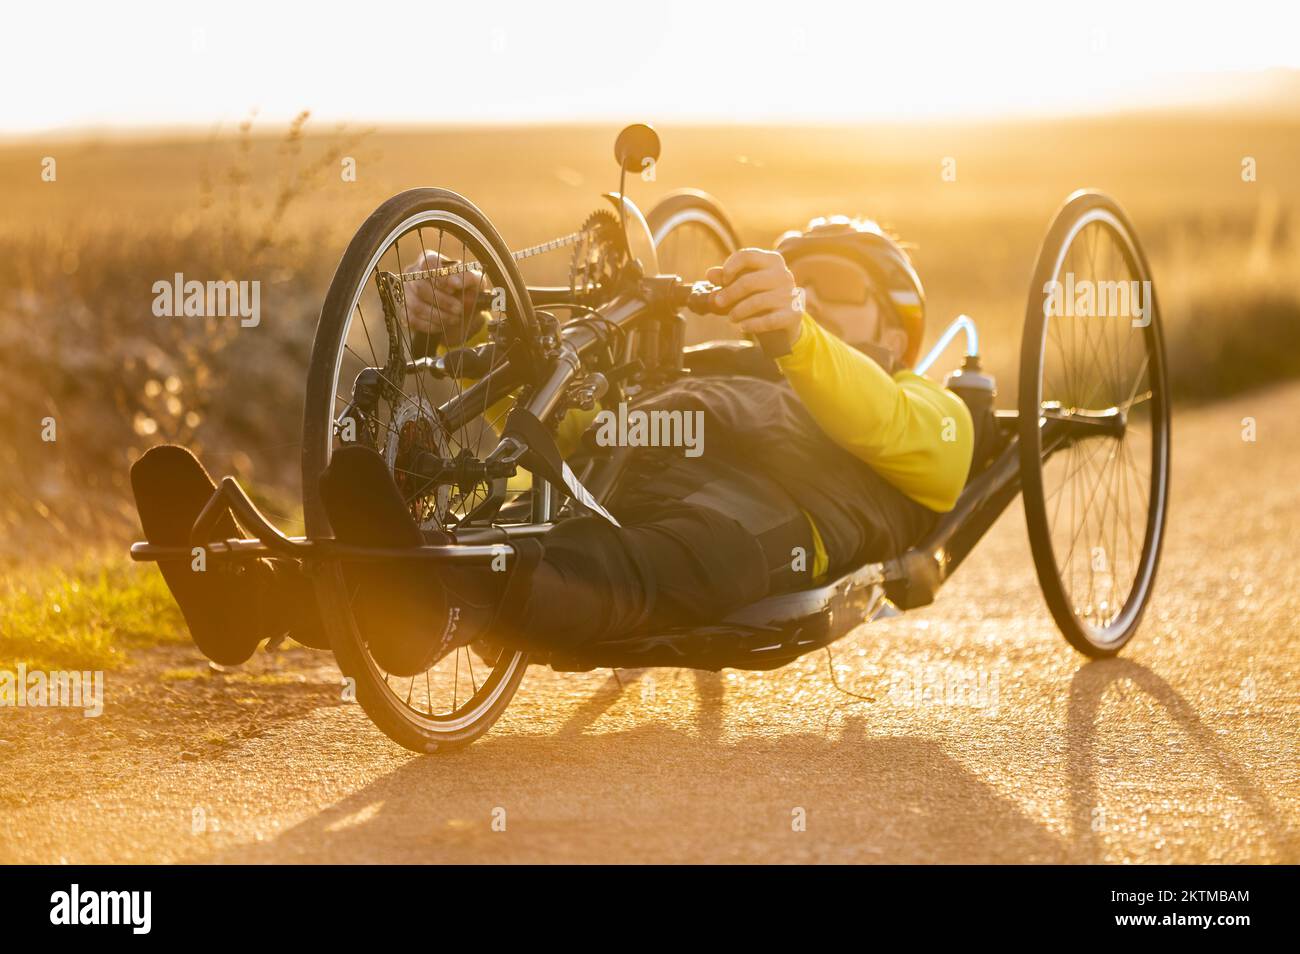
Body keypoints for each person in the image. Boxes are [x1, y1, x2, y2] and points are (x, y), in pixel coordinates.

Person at [131, 216, 974, 674]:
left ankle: (444, 608)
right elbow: (572, 427)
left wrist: (795, 332)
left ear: (900, 332)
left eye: (842, 289)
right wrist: (489, 334)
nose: (815, 298)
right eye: (800, 279)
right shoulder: (724, 364)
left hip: (770, 523)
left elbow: (880, 427)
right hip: (628, 481)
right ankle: (256, 597)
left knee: (620, 569)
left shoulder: (926, 408)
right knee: (497, 528)